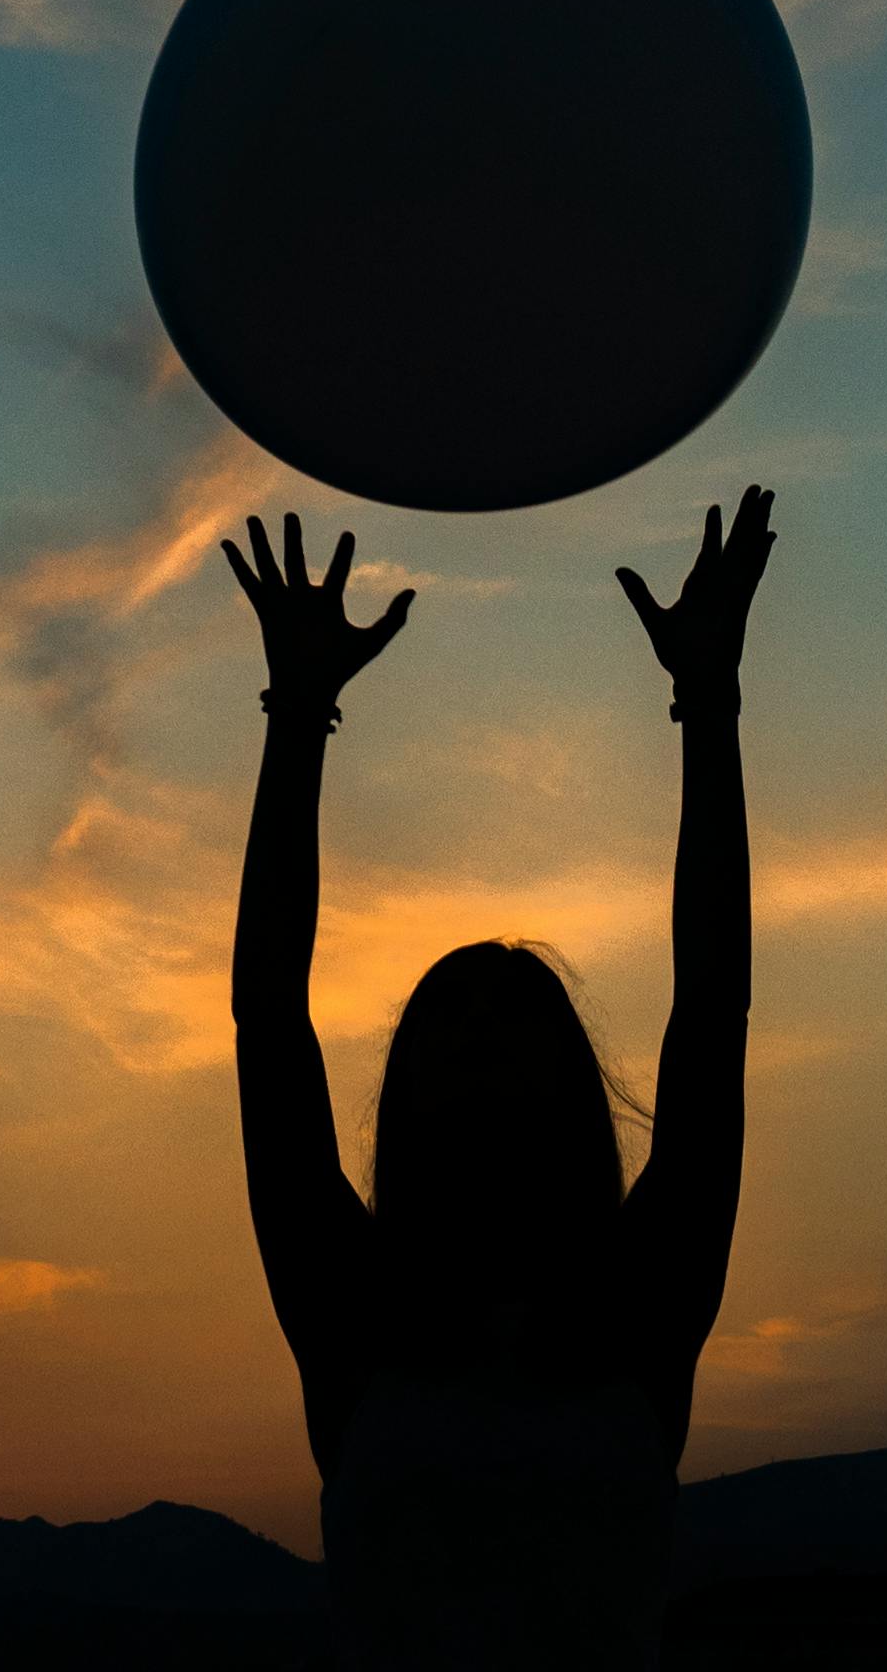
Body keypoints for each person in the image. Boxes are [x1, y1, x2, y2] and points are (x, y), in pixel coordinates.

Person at [221, 484, 777, 1670]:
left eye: (516, 1013)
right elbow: (268, 1019)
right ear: (405, 1084)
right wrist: (299, 708)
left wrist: (709, 702)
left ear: (571, 1074)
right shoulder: (350, 1310)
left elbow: (711, 1012)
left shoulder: (643, 1301)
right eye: (449, 1015)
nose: (480, 1031)